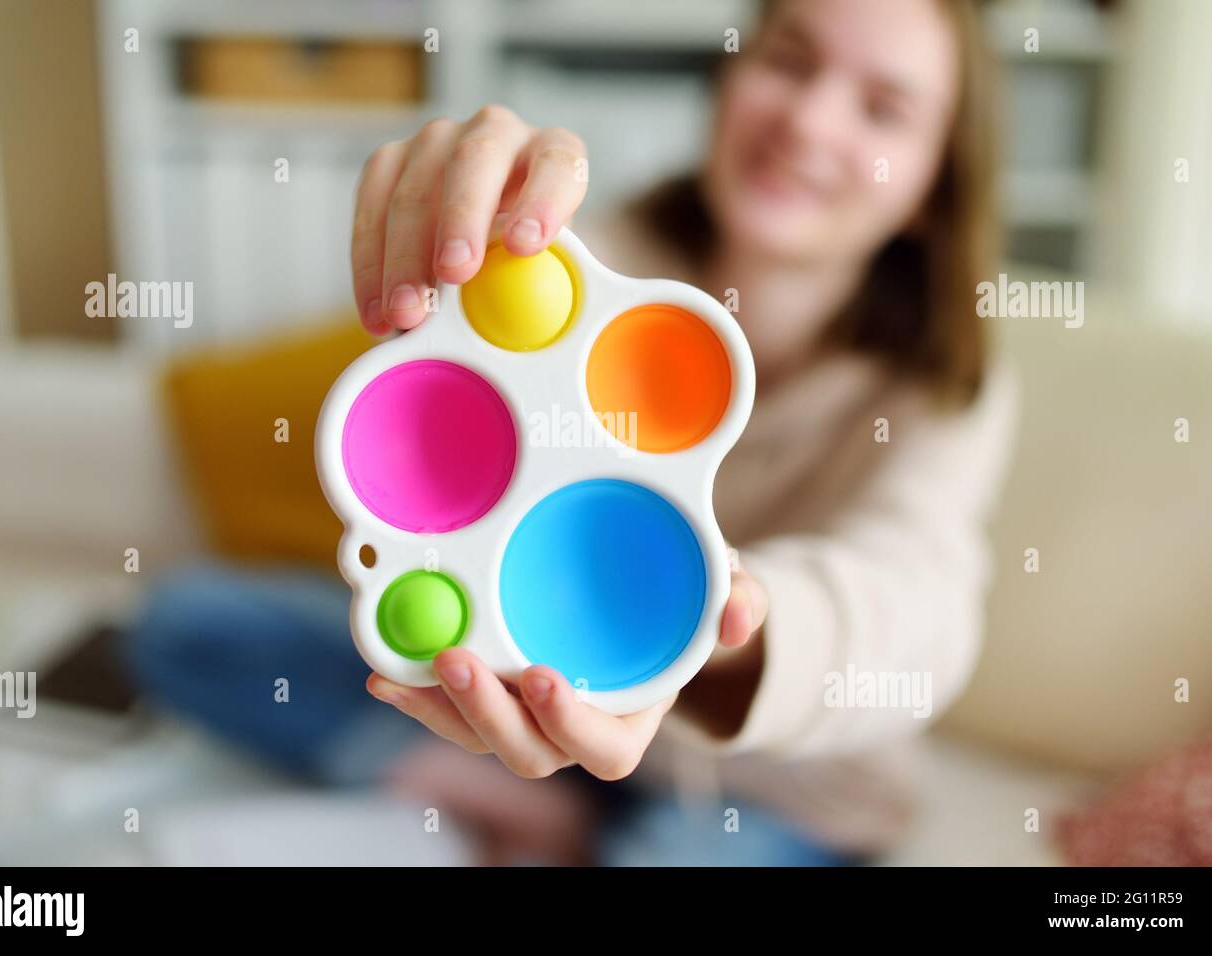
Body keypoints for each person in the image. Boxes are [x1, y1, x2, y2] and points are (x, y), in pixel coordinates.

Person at [126, 0, 1016, 865]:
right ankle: (524, 805)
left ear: (933, 188)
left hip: (771, 792)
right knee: (187, 622)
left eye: (882, 109)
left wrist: (718, 631)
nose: (811, 119)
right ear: (731, 75)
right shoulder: (589, 267)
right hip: (539, 691)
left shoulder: (947, 381)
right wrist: (460, 225)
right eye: (789, 60)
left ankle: (561, 825)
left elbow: (925, 608)